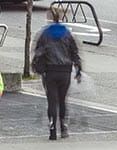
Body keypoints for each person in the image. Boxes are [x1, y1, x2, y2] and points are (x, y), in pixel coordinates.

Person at [32, 10, 82, 140]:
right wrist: (78, 70)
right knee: (62, 100)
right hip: (65, 71)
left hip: (50, 72)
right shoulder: (67, 33)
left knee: (52, 101)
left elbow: (38, 52)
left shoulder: (44, 34)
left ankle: (52, 128)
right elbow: (74, 52)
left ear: (49, 19)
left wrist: (36, 67)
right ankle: (64, 127)